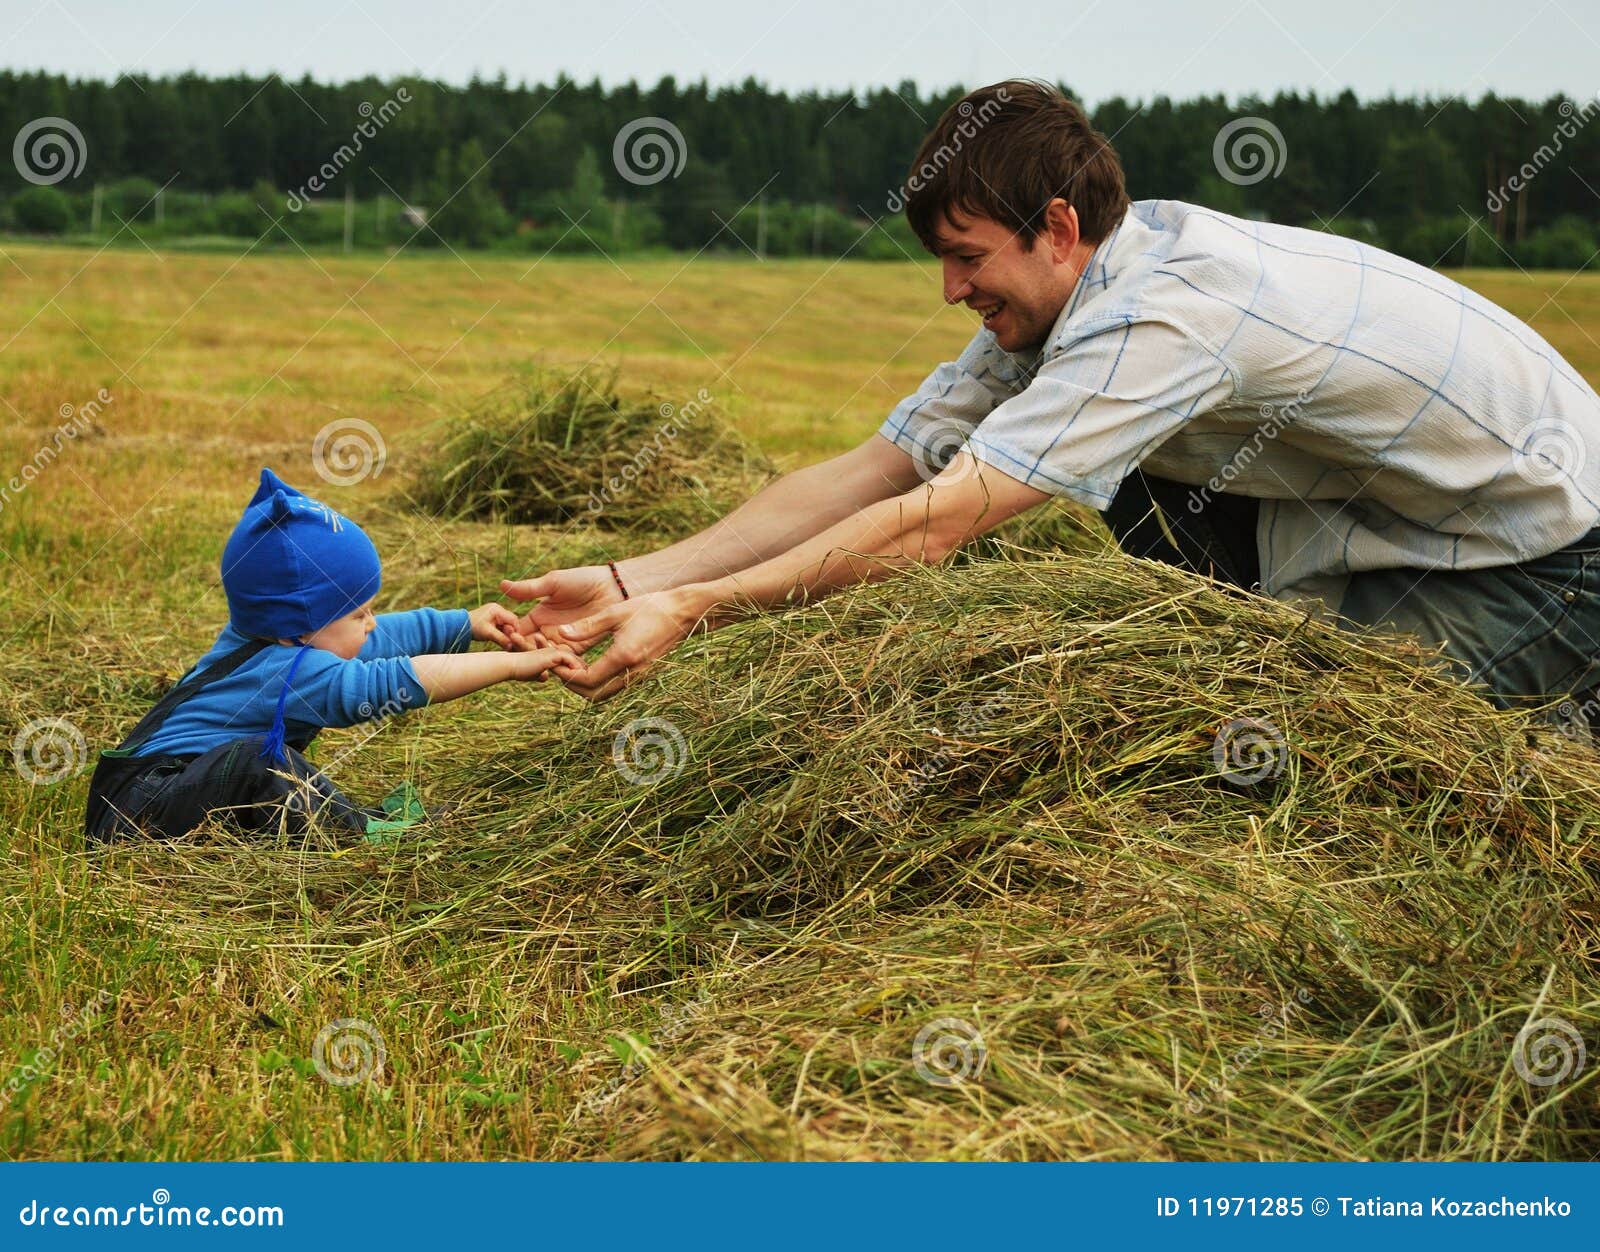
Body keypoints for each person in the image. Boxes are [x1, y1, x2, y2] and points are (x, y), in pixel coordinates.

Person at [504, 79, 1600, 727]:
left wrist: (694, 612)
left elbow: (931, 527)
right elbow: (879, 471)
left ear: (1059, 227)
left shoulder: (1165, 319)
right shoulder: (1068, 300)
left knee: (1323, 745)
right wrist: (632, 580)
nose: (950, 289)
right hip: (1402, 524)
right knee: (1144, 530)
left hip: (1548, 556)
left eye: (966, 256)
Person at [85, 468, 584, 841]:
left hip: (168, 790)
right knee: (260, 763)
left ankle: (310, 830)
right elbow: (391, 681)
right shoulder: (285, 670)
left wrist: (462, 624)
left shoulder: (273, 636)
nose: (371, 623)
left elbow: (372, 642)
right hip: (139, 811)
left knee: (262, 767)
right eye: (358, 613)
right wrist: (511, 665)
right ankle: (361, 836)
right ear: (299, 626)